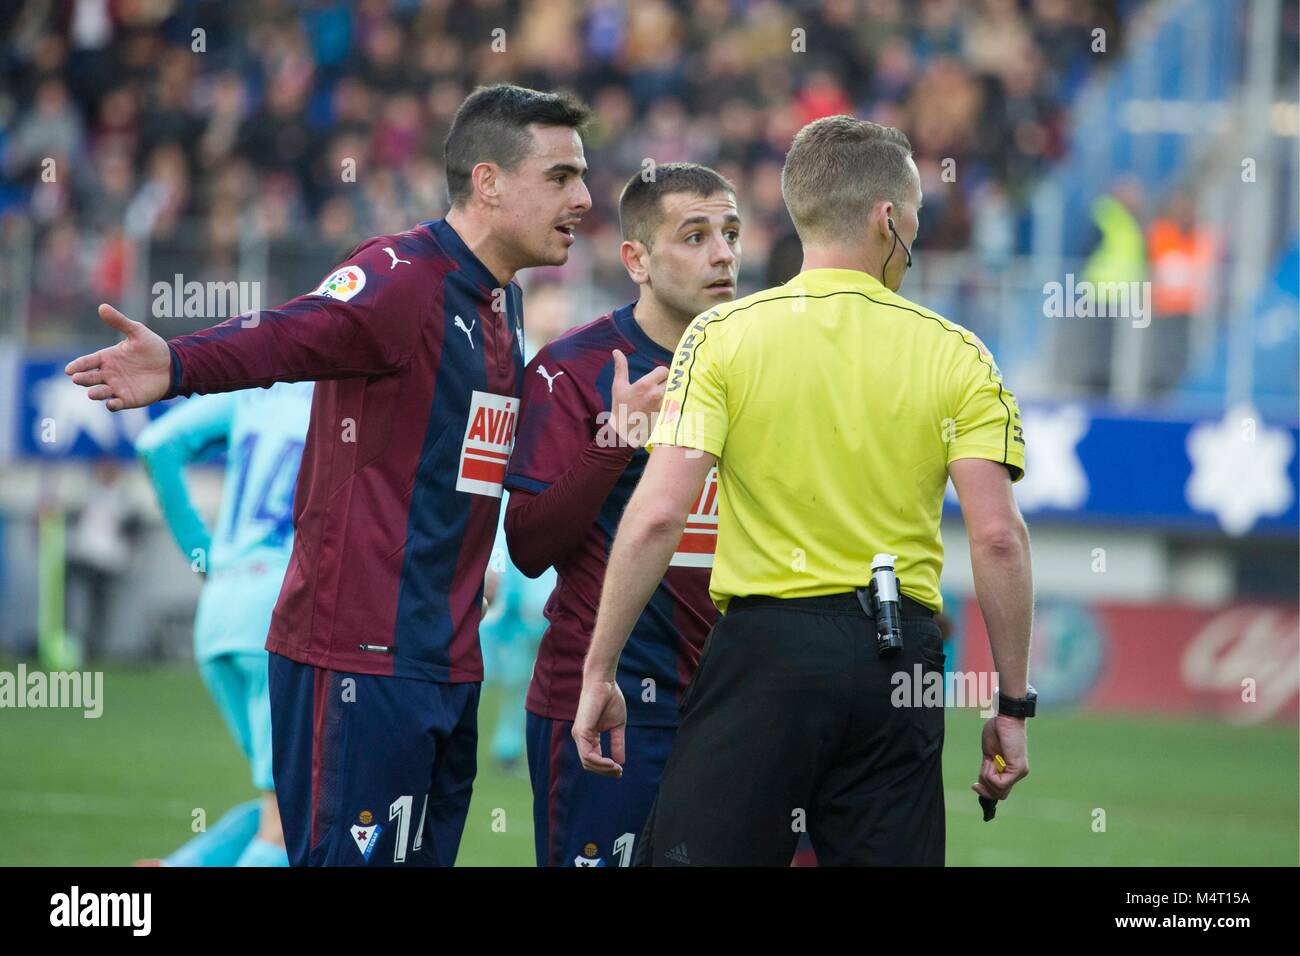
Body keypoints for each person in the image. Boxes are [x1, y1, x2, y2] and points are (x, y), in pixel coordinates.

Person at [65, 83, 593, 866]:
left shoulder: (501, 305)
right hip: (357, 658)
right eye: (560, 177)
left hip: (445, 659)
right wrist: (178, 364)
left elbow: (467, 456)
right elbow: (292, 335)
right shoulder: (401, 275)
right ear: (488, 182)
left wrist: (473, 557)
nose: (583, 197)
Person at [573, 115, 1035, 866]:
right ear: (889, 218)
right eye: (914, 215)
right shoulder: (958, 353)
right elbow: (997, 538)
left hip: (765, 649)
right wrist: (1011, 704)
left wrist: (600, 671)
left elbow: (658, 514)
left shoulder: (723, 336)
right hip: (900, 661)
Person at [504, 164, 739, 867]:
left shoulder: (762, 363)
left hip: (734, 705)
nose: (722, 253)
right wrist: (614, 442)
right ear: (635, 258)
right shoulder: (568, 368)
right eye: (694, 236)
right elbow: (528, 545)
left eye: (729, 233)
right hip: (604, 701)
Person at [134, 380, 314, 867]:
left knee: (297, 804)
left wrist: (205, 556)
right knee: (292, 820)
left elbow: (156, 444)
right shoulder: (352, 393)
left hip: (221, 609)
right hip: (284, 613)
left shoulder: (262, 391)